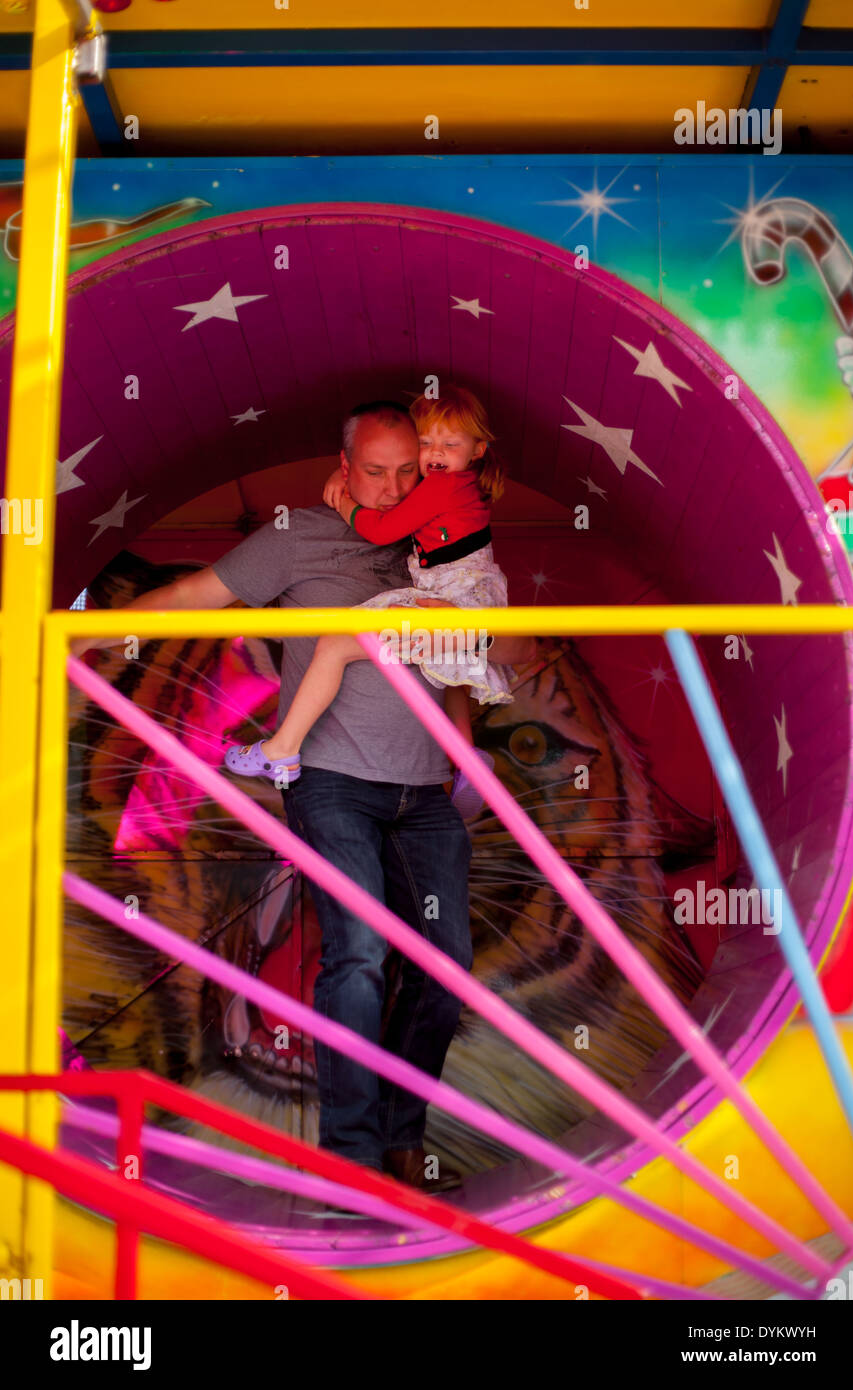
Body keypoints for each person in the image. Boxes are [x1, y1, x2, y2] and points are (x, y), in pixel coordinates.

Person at [70, 399, 535, 1193]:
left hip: (424, 793)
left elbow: (476, 657)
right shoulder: (297, 536)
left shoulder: (437, 536)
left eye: (409, 471)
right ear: (343, 469)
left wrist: (465, 763)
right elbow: (191, 598)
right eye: (378, 472)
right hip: (332, 784)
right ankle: (353, 1160)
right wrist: (71, 636)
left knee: (447, 966)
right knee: (358, 954)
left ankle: (398, 1140)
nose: (393, 490)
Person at [223, 385, 512, 821]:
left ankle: (283, 747)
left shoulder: (441, 488)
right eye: (426, 445)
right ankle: (466, 756)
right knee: (444, 666)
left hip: (451, 595)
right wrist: (348, 474)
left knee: (336, 644)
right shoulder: (455, 485)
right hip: (464, 595)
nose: (436, 454)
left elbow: (382, 531)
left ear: (478, 450)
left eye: (449, 446)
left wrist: (345, 504)